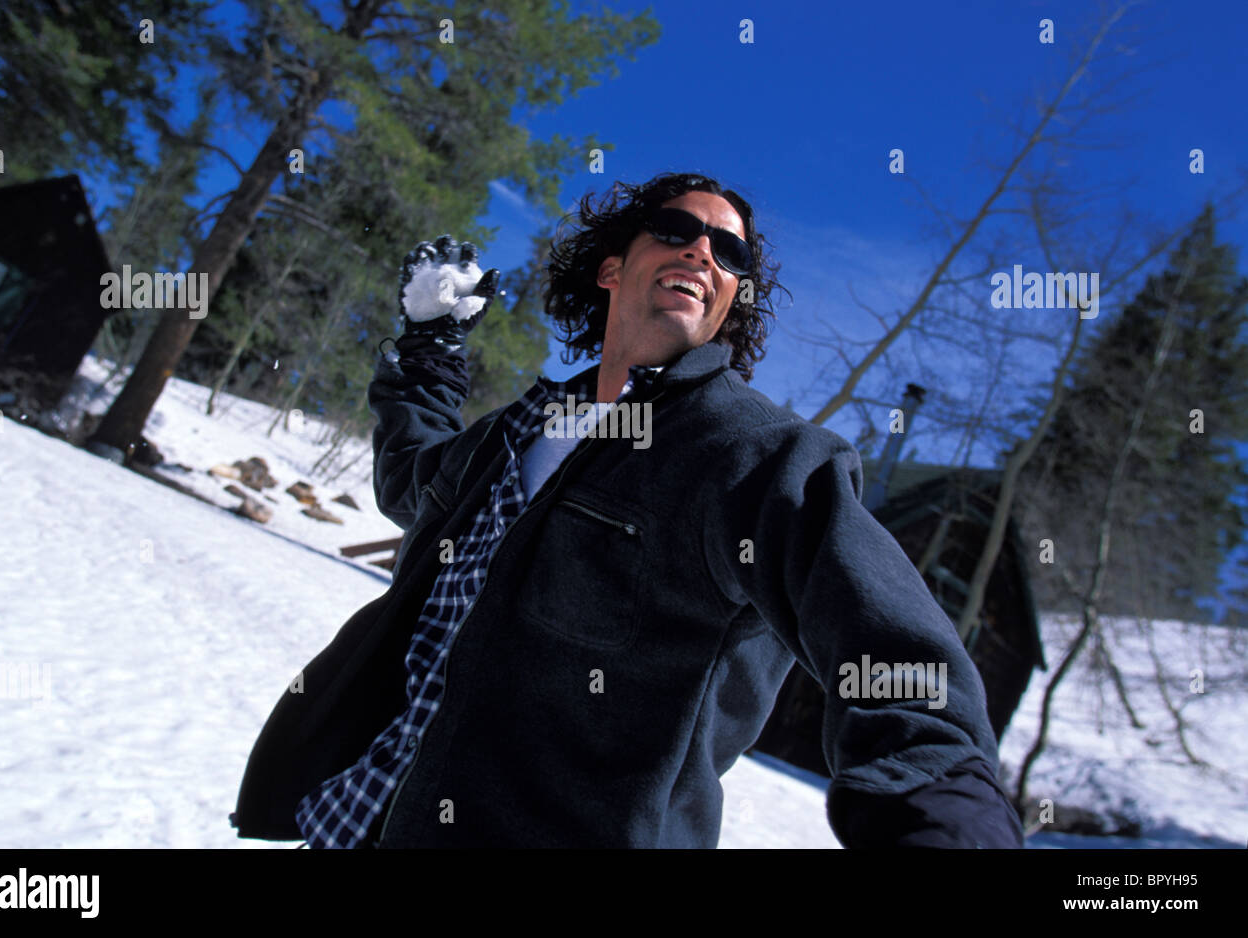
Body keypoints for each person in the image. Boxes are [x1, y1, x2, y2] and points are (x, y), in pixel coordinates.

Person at [230, 171, 1025, 848]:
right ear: (612, 268)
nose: (701, 250)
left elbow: (887, 639)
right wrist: (431, 348)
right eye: (675, 228)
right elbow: (411, 478)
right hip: (357, 819)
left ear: (731, 302)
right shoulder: (522, 430)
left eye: (729, 250)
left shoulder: (758, 459)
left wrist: (943, 807)